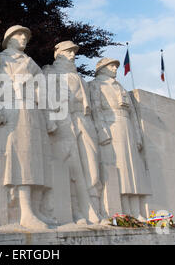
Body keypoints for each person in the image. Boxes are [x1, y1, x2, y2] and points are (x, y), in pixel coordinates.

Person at [0, 25, 54, 230]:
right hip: (11, 109)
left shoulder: (30, 62)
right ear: (8, 39)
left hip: (32, 112)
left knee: (36, 159)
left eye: (26, 36)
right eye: (19, 35)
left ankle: (35, 208)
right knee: (21, 159)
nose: (24, 38)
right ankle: (25, 211)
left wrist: (48, 116)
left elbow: (41, 89)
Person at [43, 41, 103, 225]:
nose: (72, 55)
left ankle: (94, 208)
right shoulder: (49, 72)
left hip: (83, 121)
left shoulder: (81, 79)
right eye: (68, 52)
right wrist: (50, 120)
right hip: (63, 120)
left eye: (73, 52)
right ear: (57, 53)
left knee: (92, 167)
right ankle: (77, 211)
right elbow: (45, 98)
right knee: (71, 167)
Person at [88, 58, 151, 220]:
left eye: (116, 66)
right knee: (120, 169)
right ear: (101, 68)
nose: (115, 69)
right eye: (111, 66)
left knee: (134, 171)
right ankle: (121, 210)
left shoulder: (121, 87)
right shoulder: (96, 85)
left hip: (127, 127)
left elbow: (134, 115)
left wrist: (137, 135)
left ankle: (136, 210)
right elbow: (95, 109)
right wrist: (102, 131)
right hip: (112, 127)